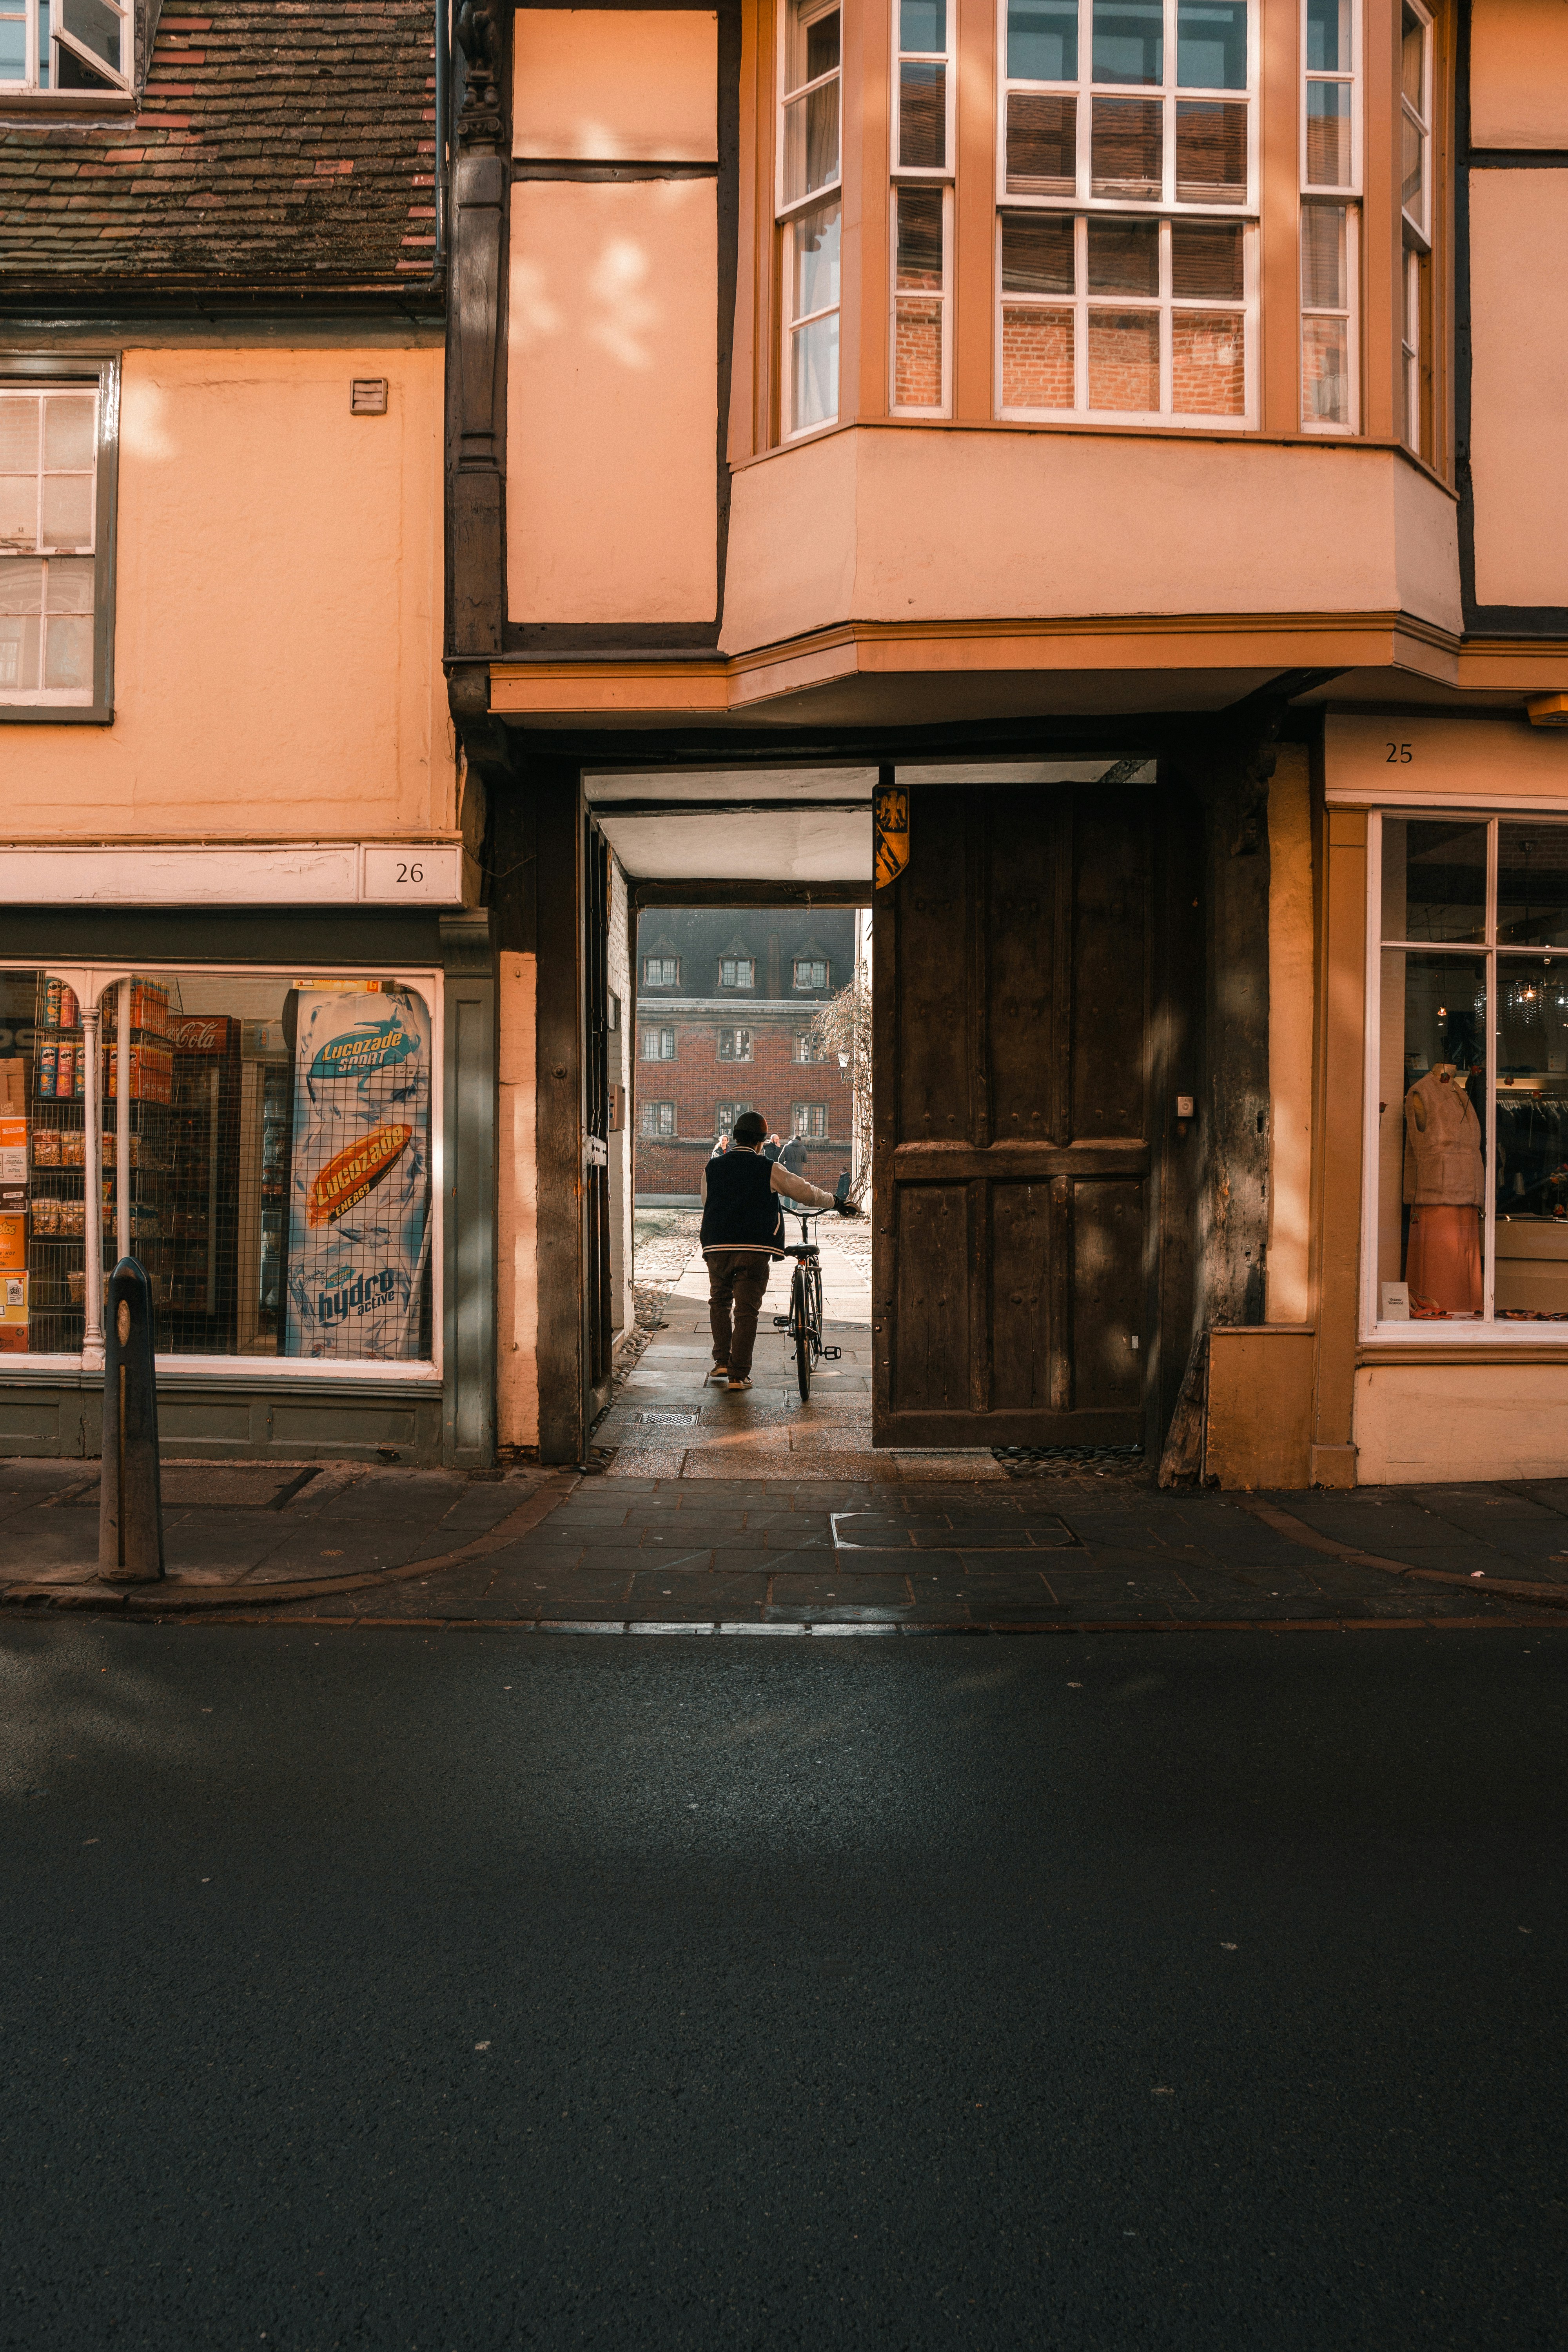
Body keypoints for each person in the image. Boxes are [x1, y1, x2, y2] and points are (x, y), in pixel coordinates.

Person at [699, 1109, 845, 1392]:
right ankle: (738, 1375)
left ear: (736, 1137)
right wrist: (835, 1201)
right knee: (747, 1310)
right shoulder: (768, 1168)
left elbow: (708, 1201)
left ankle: (721, 1361)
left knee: (719, 1301)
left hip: (716, 1245)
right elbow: (804, 1192)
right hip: (754, 1248)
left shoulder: (712, 1167)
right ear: (761, 1142)